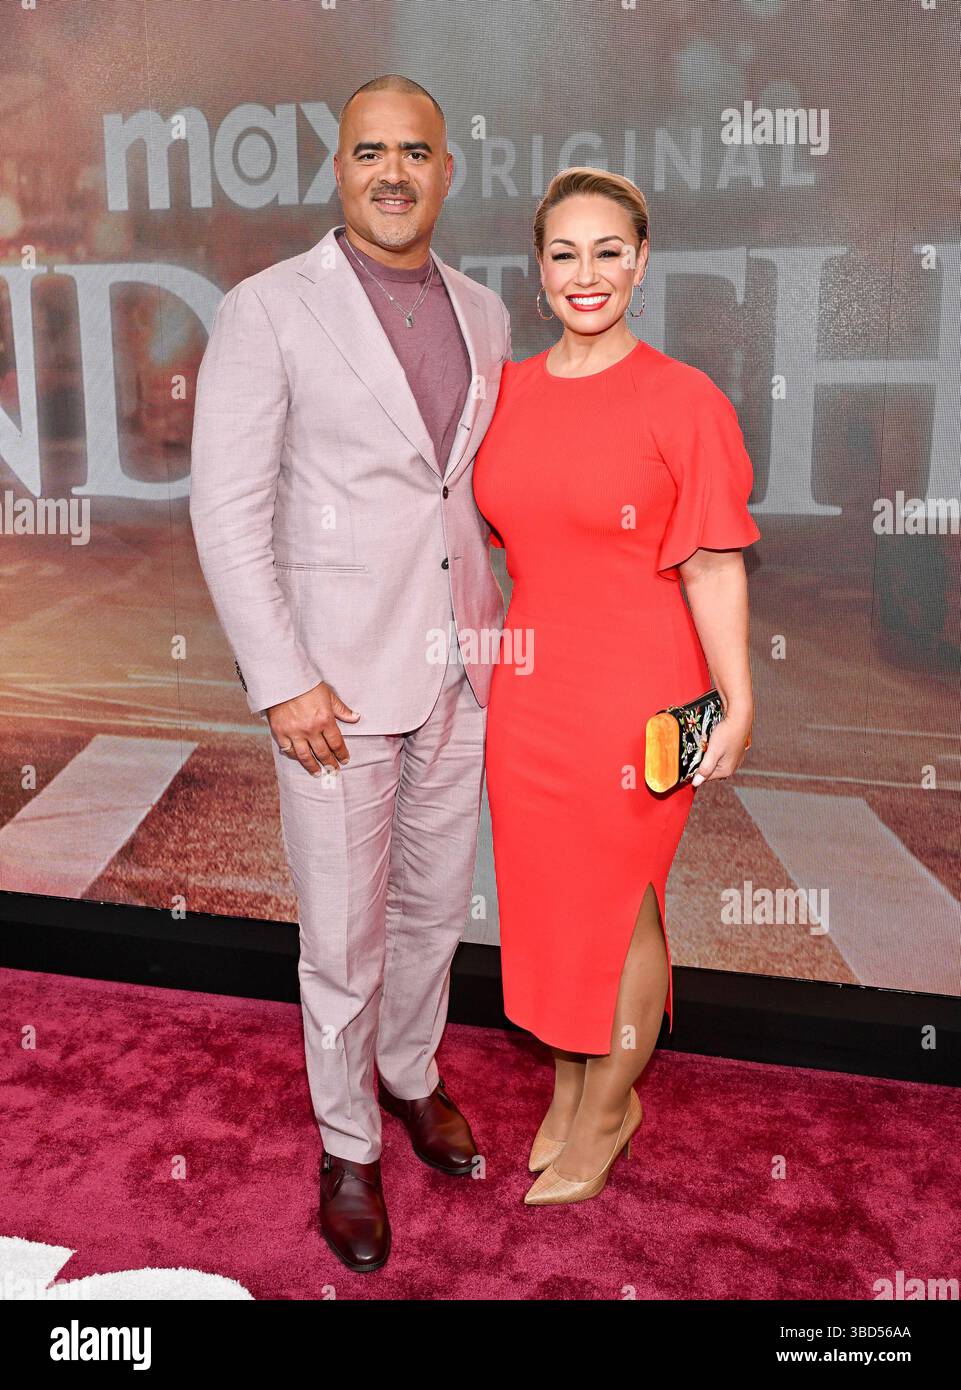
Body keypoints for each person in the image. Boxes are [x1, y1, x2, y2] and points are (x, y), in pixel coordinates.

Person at [189, 75, 510, 1271]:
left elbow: (458, 496)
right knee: (342, 935)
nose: (391, 171)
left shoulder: (484, 312)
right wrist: (281, 679)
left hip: (455, 666)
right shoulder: (268, 308)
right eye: (368, 151)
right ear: (337, 167)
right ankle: (347, 1145)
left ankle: (410, 1073)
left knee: (434, 910)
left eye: (413, 151)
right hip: (330, 686)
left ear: (444, 168)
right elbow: (225, 512)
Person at [473, 167, 761, 1206]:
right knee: (545, 903)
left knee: (620, 903)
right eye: (564, 254)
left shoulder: (683, 400)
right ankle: (566, 1083)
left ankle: (608, 1106)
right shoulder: (503, 389)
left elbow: (714, 562)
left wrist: (736, 697)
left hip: (643, 690)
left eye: (608, 252)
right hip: (531, 683)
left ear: (640, 262)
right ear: (536, 269)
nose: (585, 274)